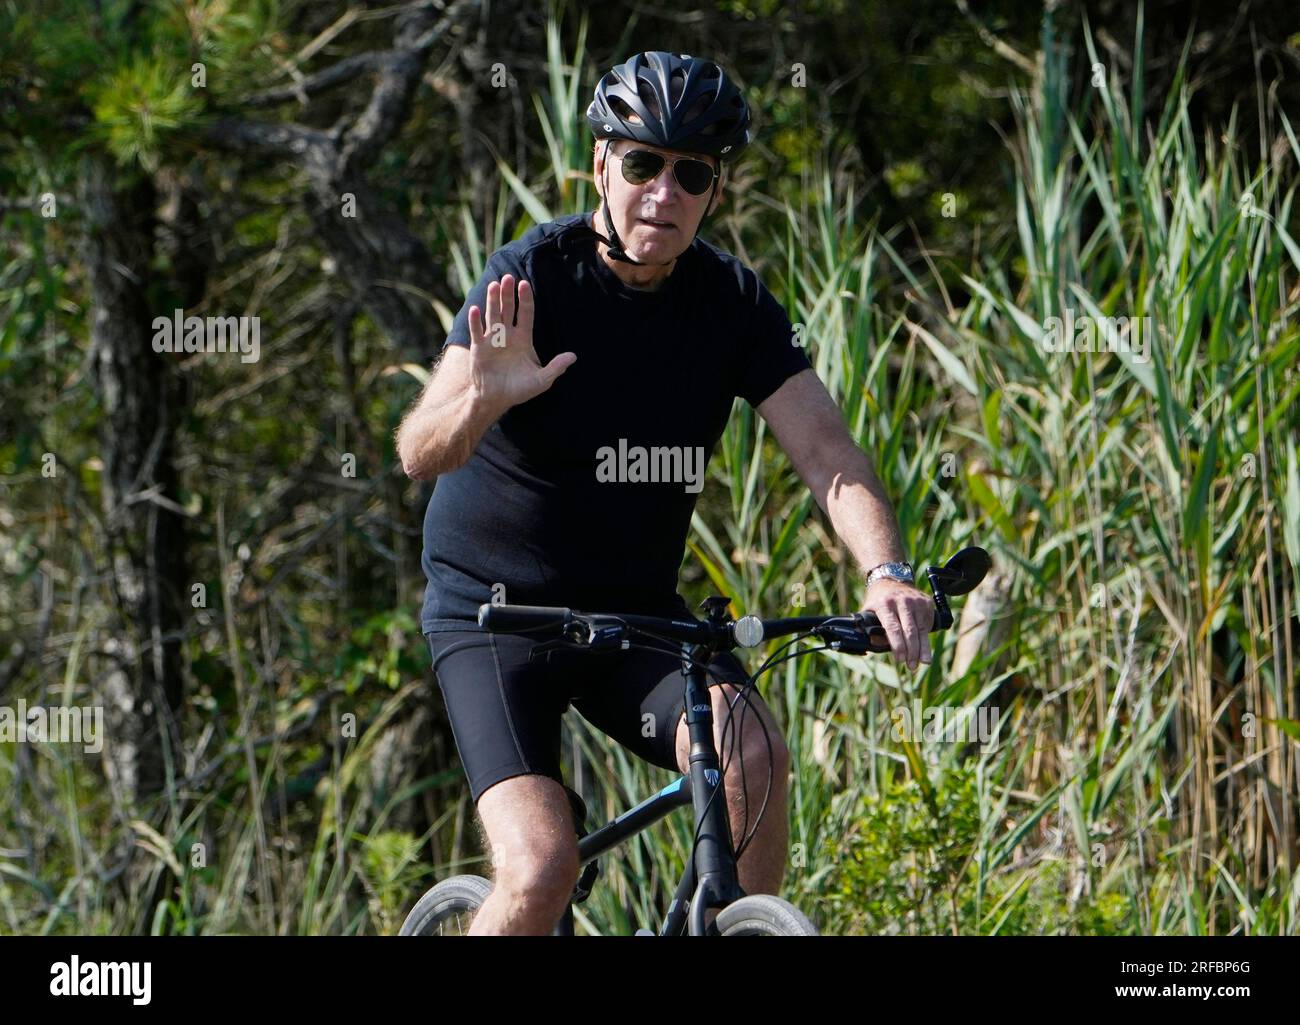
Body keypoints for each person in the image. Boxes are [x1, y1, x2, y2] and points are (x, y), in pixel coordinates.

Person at [395, 51, 934, 935]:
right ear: (602, 164)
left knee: (752, 753)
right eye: (643, 163)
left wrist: (885, 569)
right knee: (540, 869)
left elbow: (828, 453)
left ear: (715, 193)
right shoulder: (531, 277)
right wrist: (482, 398)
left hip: (634, 616)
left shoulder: (731, 305)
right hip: (494, 617)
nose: (663, 192)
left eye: (692, 174)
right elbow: (419, 451)